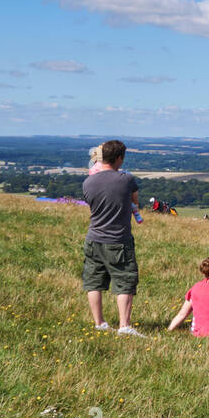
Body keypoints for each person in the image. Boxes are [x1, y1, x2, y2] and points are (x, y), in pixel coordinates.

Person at [81, 140, 144, 336]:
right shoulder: (126, 180)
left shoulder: (88, 182)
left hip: (93, 238)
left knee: (94, 282)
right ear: (119, 158)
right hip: (118, 239)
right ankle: (124, 326)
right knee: (125, 281)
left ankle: (99, 322)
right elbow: (135, 200)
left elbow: (92, 205)